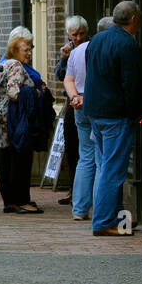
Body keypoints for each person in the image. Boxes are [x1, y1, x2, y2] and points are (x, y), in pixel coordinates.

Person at [84, 1, 142, 237]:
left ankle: (117, 217)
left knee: (106, 166)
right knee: (112, 169)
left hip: (95, 112)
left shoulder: (97, 39)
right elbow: (131, 84)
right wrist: (136, 114)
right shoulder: (127, 44)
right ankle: (103, 221)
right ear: (135, 19)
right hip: (115, 115)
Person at [0, 34, 44, 214]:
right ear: (14, 51)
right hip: (14, 121)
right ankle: (22, 201)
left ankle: (10, 201)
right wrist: (34, 94)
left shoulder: (3, 64)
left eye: (30, 49)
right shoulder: (16, 66)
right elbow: (14, 93)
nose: (29, 53)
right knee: (19, 159)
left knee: (4, 158)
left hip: (1, 119)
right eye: (25, 50)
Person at [65, 17, 111, 222]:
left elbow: (68, 79)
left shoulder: (75, 52)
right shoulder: (102, 49)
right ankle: (101, 212)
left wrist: (75, 97)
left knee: (85, 157)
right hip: (96, 106)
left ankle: (79, 209)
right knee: (101, 158)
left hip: (79, 106)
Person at [54, 16, 89, 194]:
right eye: (74, 34)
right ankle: (73, 187)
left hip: (88, 99)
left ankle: (82, 189)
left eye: (81, 34)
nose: (78, 38)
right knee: (71, 144)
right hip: (71, 100)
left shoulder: (91, 48)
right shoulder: (67, 50)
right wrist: (63, 59)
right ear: (69, 34)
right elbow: (60, 76)